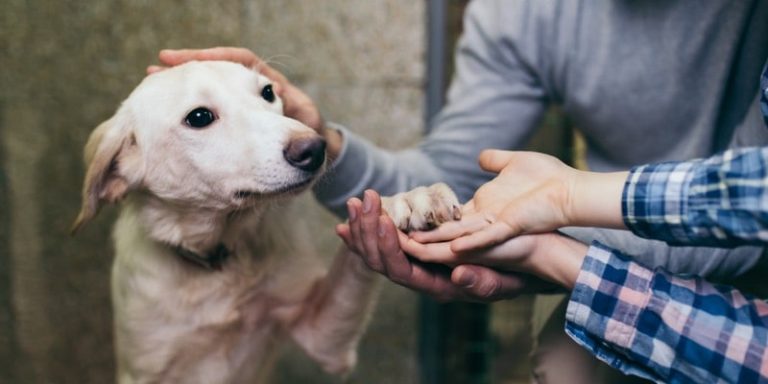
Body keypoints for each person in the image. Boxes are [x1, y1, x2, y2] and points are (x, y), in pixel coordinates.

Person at [154, 1, 768, 381]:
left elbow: (747, 206)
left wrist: (555, 241)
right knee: (566, 363)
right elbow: (441, 176)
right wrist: (323, 147)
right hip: (598, 230)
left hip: (675, 241)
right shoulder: (520, 13)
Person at [387, 144, 768, 383]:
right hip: (616, 223)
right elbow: (753, 185)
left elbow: (752, 356)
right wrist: (567, 199)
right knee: (562, 359)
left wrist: (558, 254)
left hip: (735, 265)